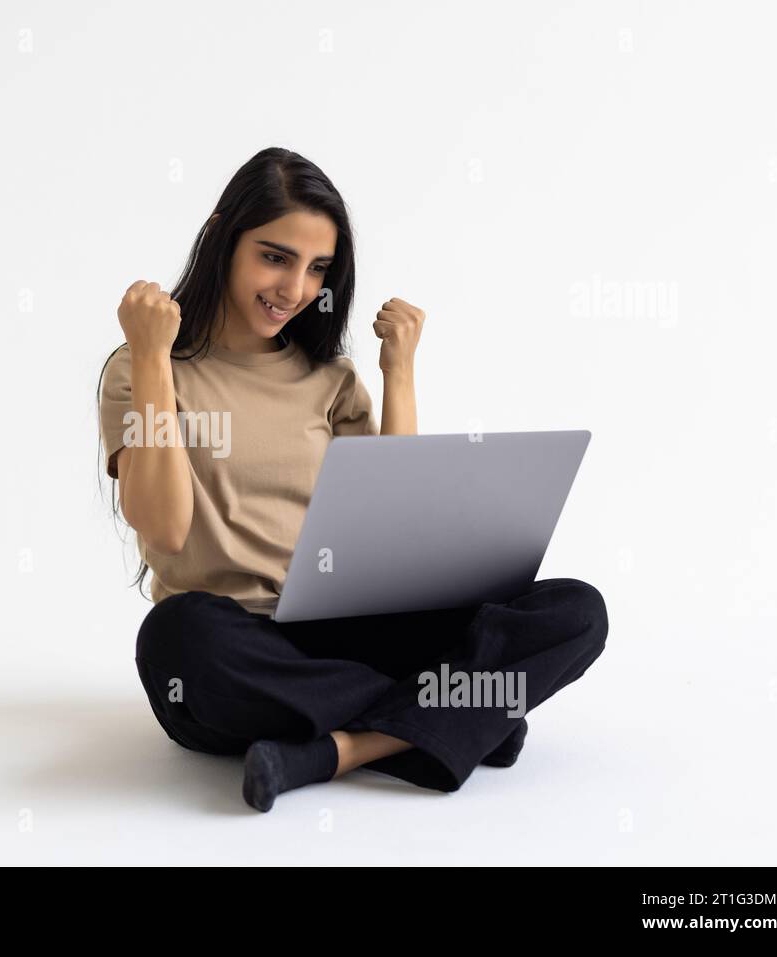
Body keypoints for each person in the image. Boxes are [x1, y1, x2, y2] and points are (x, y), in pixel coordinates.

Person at [96, 147, 608, 812]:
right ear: (224, 236)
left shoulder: (328, 378)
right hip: (238, 645)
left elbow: (397, 527)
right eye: (274, 257)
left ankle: (338, 749)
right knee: (175, 640)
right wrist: (150, 353)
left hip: (341, 630)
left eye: (317, 269)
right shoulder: (139, 370)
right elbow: (162, 526)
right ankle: (452, 716)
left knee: (576, 611)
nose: (295, 289)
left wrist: (399, 372)